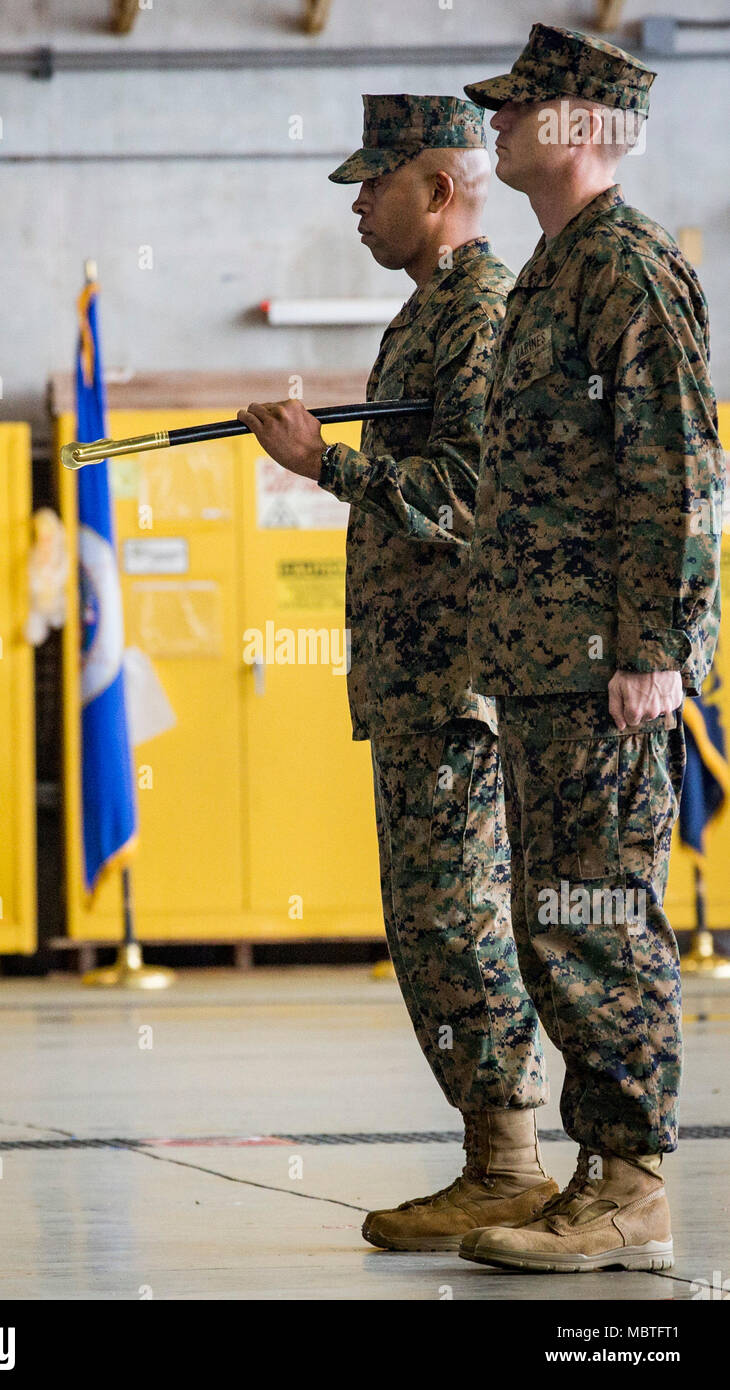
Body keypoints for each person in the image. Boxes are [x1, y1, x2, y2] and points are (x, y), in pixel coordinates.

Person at [237, 94, 558, 1251]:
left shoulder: (477, 313)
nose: (360, 204)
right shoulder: (425, 311)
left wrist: (328, 464)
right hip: (417, 678)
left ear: (437, 189)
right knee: (428, 920)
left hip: (457, 677)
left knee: (455, 917)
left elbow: (471, 497)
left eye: (375, 184)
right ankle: (494, 1158)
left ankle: (511, 1163)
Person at [458, 23, 725, 1272]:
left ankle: (630, 1186)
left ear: (574, 127)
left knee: (597, 914)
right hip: (543, 663)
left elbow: (674, 470)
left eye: (516, 109)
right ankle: (592, 1167)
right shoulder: (553, 270)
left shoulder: (626, 265)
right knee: (552, 918)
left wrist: (654, 644)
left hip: (604, 667)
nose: (497, 126)